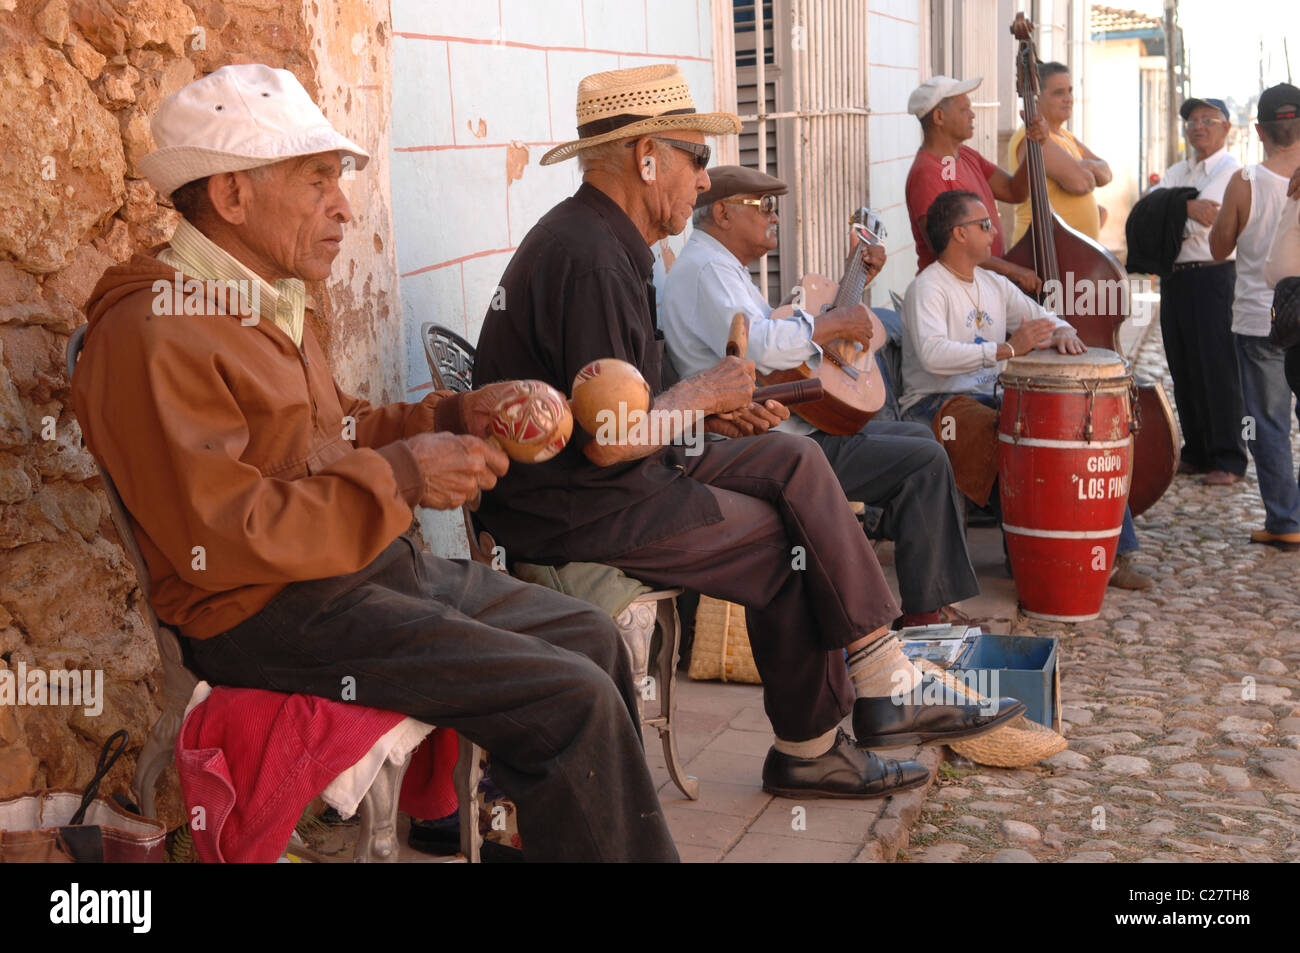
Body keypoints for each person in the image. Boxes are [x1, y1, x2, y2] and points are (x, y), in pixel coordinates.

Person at [70, 64, 679, 862]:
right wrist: (401, 477)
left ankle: (534, 840)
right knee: (572, 697)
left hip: (357, 567)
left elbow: (336, 434)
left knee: (590, 636)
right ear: (230, 196)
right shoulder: (154, 330)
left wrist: (457, 414)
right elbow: (222, 534)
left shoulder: (259, 298)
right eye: (318, 179)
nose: (343, 206)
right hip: (265, 611)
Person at [474, 65, 1023, 801]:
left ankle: (875, 684)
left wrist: (705, 408)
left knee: (790, 456)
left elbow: (621, 409)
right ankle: (823, 737)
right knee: (789, 541)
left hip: (612, 477)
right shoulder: (591, 255)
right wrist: (699, 395)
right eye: (697, 159)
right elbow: (606, 439)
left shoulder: (609, 241)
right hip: (579, 504)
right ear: (647, 158)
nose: (704, 184)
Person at [660, 164, 980, 627]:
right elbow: (762, 347)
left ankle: (926, 604)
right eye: (764, 207)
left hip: (787, 424)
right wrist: (832, 323)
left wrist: (852, 292)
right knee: (922, 461)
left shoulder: (721, 267)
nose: (773, 217)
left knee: (922, 440)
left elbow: (786, 341)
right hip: (760, 442)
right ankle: (923, 615)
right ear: (724, 214)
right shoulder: (708, 268)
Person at [900, 190, 1153, 590]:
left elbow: (1046, 318)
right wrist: (1005, 349)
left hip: (988, 399)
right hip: (936, 405)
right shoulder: (928, 288)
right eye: (984, 225)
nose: (993, 232)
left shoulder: (992, 284)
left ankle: (1111, 555)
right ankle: (1030, 554)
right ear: (958, 234)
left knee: (1068, 436)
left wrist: (1064, 332)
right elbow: (933, 356)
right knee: (1018, 439)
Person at [1208, 84, 1300, 551]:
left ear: (1259, 130)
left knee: (1265, 423)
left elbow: (1219, 247)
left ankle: (1286, 519)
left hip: (1259, 317)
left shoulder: (1244, 180)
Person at [1148, 96, 1247, 486]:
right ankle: (1197, 450)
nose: (1198, 126)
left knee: (1219, 367)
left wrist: (1172, 211)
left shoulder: (1233, 173)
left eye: (1208, 119)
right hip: (1175, 276)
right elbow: (1149, 218)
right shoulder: (1176, 170)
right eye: (1191, 120)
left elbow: (1204, 222)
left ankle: (1229, 456)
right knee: (1183, 363)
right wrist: (1185, 209)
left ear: (1227, 128)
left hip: (1215, 275)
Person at [903, 75, 1045, 292]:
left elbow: (1014, 192)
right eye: (964, 110)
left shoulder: (966, 155)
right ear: (939, 117)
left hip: (980, 288)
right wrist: (1011, 270)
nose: (972, 115)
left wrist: (1034, 143)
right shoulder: (926, 173)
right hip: (952, 294)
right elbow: (946, 248)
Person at [1007, 62, 1112, 243]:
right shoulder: (1033, 136)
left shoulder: (1065, 136)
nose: (1068, 98)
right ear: (1036, 99)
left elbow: (1107, 173)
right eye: (1058, 93)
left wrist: (1085, 166)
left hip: (1072, 257)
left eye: (1070, 91)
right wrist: (1086, 172)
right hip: (1047, 257)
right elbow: (1081, 184)